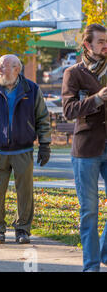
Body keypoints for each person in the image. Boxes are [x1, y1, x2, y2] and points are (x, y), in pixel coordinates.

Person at [0, 54, 51, 244]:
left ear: (17, 69)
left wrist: (45, 144)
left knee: (25, 192)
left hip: (23, 149)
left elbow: (42, 117)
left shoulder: (32, 89)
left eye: (3, 66)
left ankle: (23, 229)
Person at [61, 23, 107, 272]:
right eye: (101, 42)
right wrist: (97, 98)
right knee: (89, 211)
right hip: (86, 149)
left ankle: (103, 253)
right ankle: (91, 267)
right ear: (87, 45)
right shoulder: (74, 73)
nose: (106, 46)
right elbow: (68, 111)